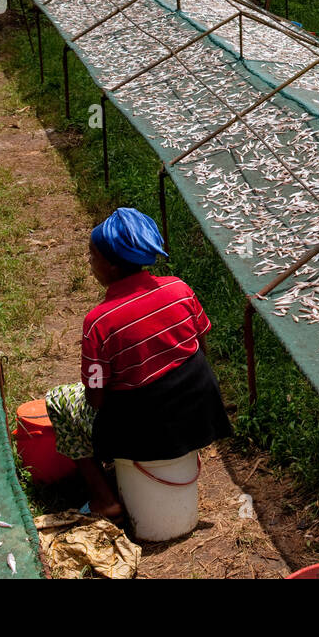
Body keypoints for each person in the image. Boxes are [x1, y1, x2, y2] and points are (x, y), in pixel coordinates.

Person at [44, 207, 232, 518]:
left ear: (112, 266)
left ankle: (105, 499)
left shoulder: (99, 323)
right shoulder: (179, 290)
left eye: (92, 257)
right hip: (198, 412)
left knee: (60, 400)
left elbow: (95, 397)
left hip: (139, 429)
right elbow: (200, 346)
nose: (90, 264)